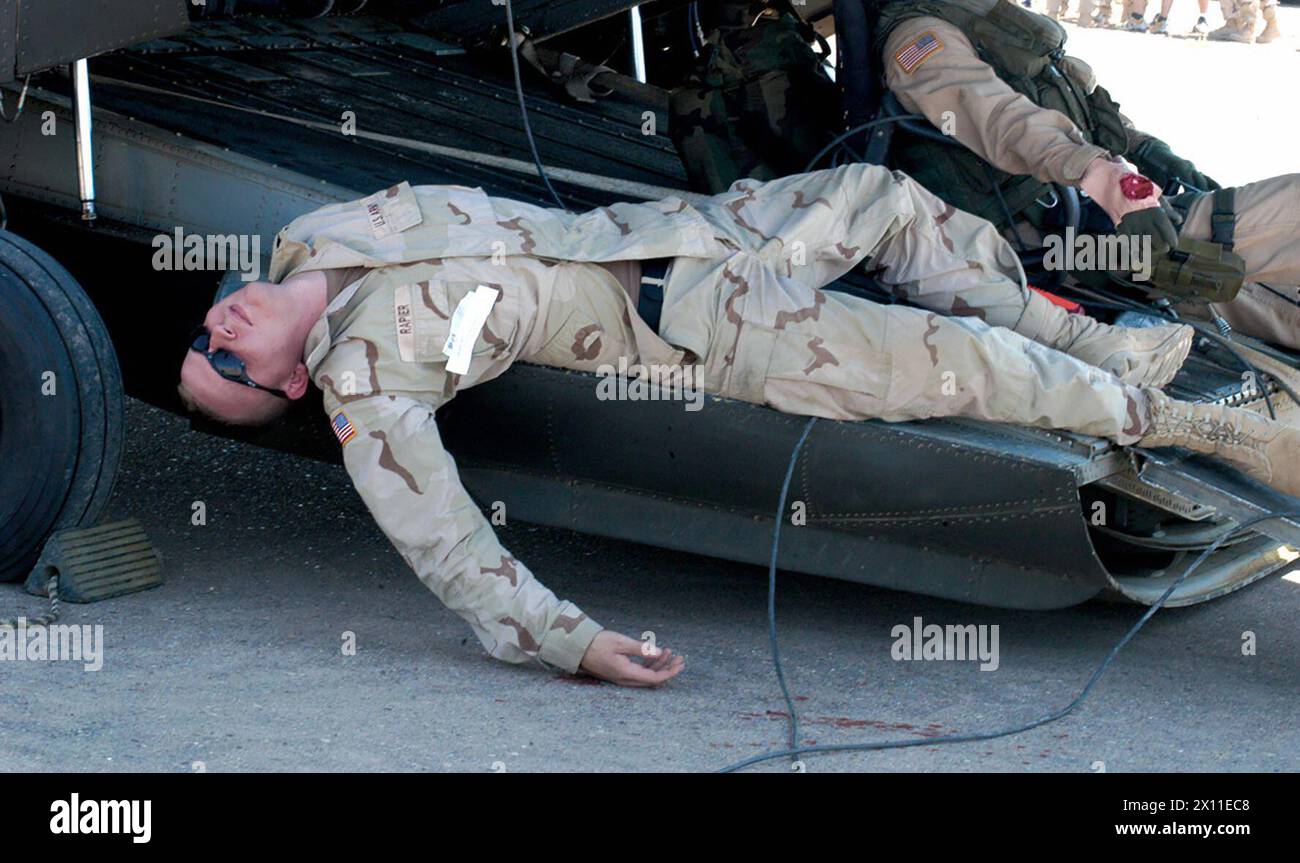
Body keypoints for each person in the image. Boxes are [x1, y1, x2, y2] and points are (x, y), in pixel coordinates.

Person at [179, 165, 1300, 687]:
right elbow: (446, 541)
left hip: (696, 232)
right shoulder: (368, 380)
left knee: (883, 196)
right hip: (715, 328)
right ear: (287, 389)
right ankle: (1203, 429)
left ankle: (1106, 345)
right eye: (229, 365)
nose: (223, 328)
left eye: (203, 332)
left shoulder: (311, 235)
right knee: (967, 370)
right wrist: (568, 639)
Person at [878, 0, 1300, 349]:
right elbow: (999, 119)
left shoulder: (984, 21)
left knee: (1270, 306)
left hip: (1095, 226)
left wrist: (1145, 150)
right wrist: (1104, 178)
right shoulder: (920, 37)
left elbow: (1078, 110)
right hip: (1062, 243)